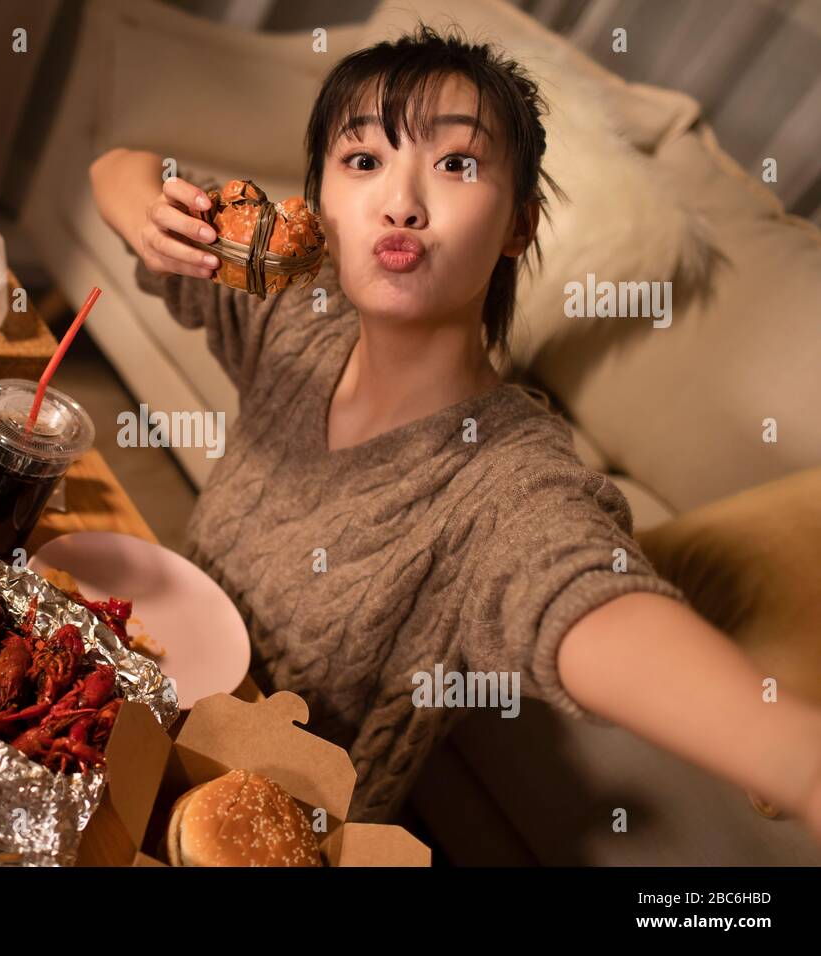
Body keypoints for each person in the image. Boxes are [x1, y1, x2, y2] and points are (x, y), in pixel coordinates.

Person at [90, 25, 821, 841]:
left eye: (456, 164)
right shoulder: (296, 319)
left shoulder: (508, 481)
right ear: (321, 206)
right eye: (363, 161)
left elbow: (580, 595)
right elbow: (114, 167)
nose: (401, 201)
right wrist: (162, 215)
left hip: (266, 835)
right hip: (127, 714)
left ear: (519, 225)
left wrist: (800, 762)